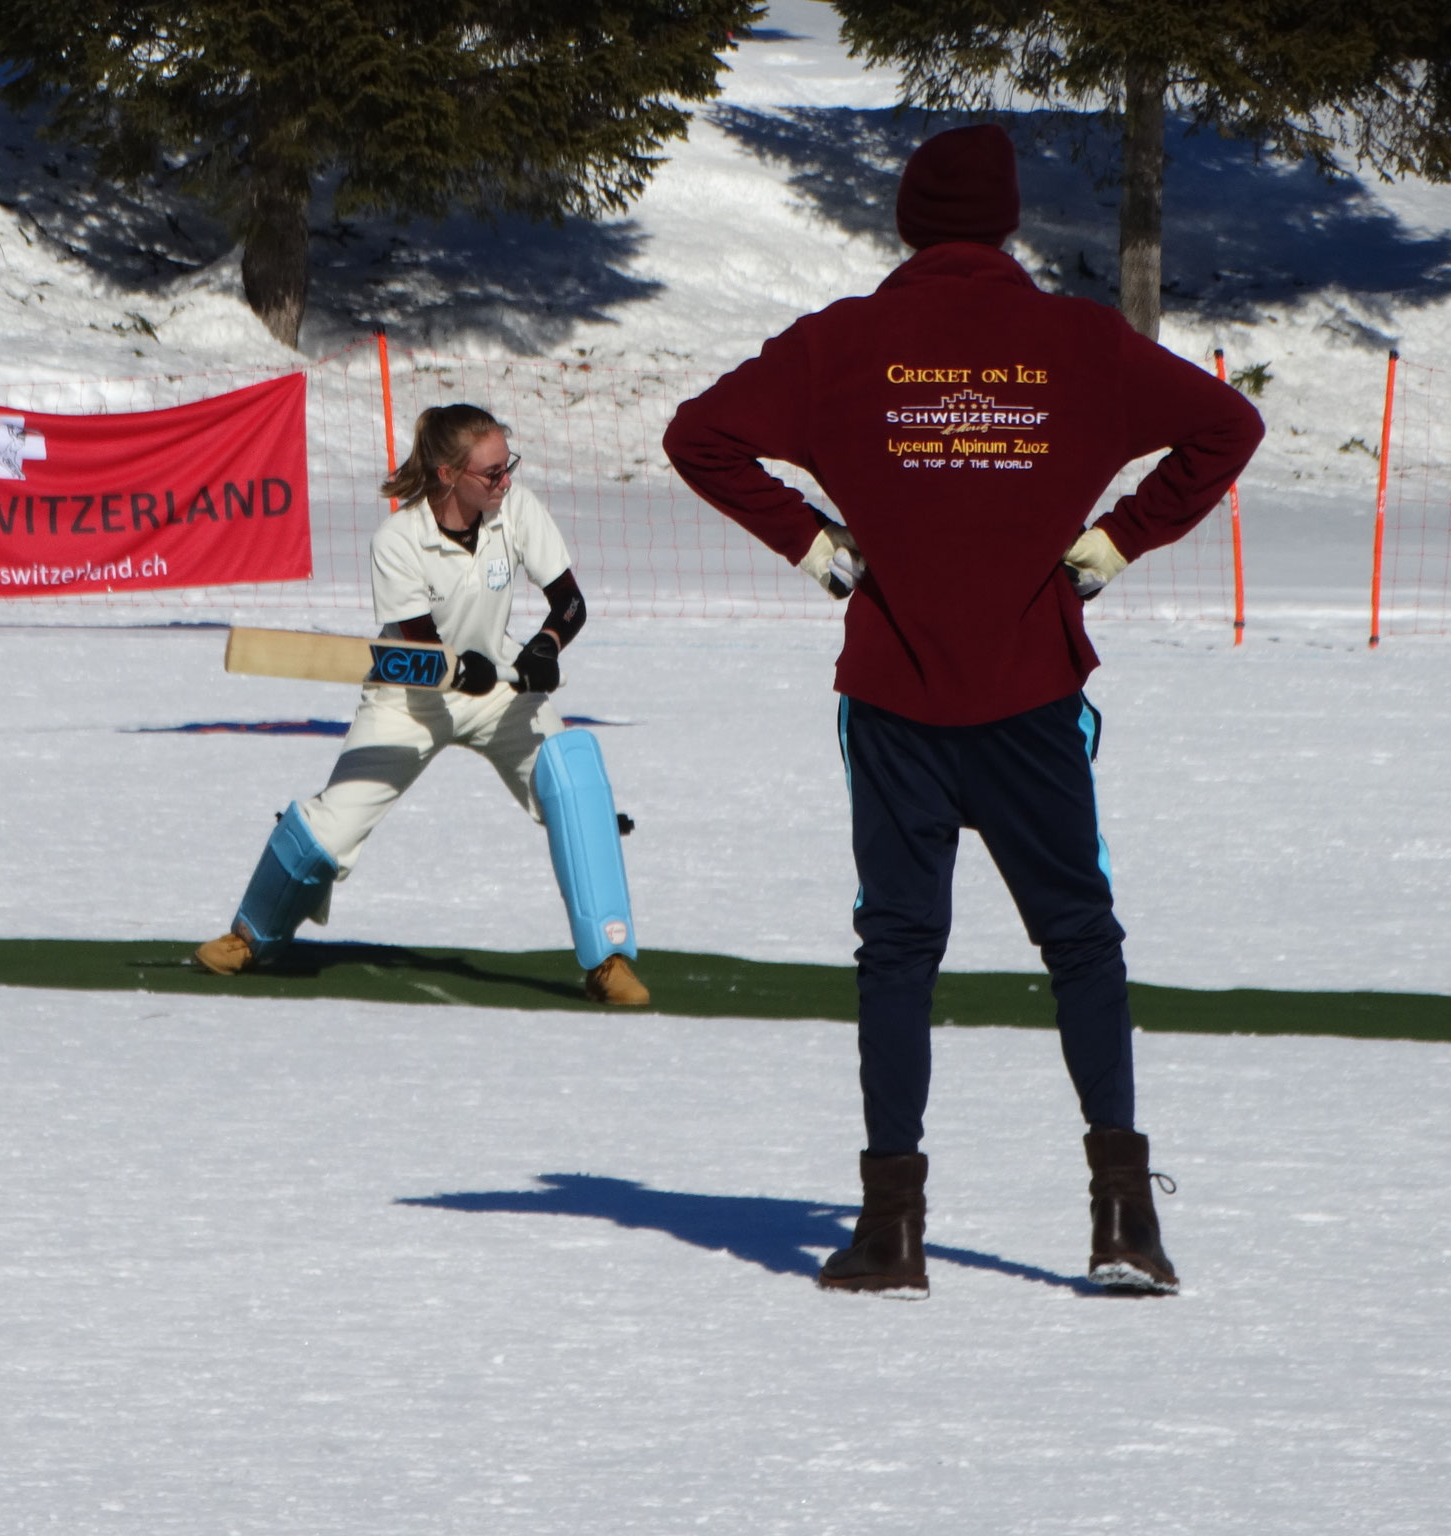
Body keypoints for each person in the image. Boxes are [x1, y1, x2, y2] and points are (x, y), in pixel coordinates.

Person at [665, 125, 1263, 1296]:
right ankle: (1122, 1220)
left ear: (905, 222)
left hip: (891, 693)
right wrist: (1112, 544)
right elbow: (1225, 427)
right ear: (1004, 222)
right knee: (1079, 943)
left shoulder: (845, 342)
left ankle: (890, 1232)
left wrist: (816, 548)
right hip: (1032, 693)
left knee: (895, 953)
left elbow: (700, 438)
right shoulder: (1071, 341)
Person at [193, 404, 650, 1006]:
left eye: (506, 465)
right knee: (333, 826)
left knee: (575, 782)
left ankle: (609, 961)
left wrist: (543, 646)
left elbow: (569, 603)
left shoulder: (515, 509)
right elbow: (420, 644)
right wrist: (462, 667)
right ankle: (252, 935)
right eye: (490, 473)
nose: (504, 480)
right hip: (412, 698)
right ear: (445, 475)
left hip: (501, 695)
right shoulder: (398, 540)